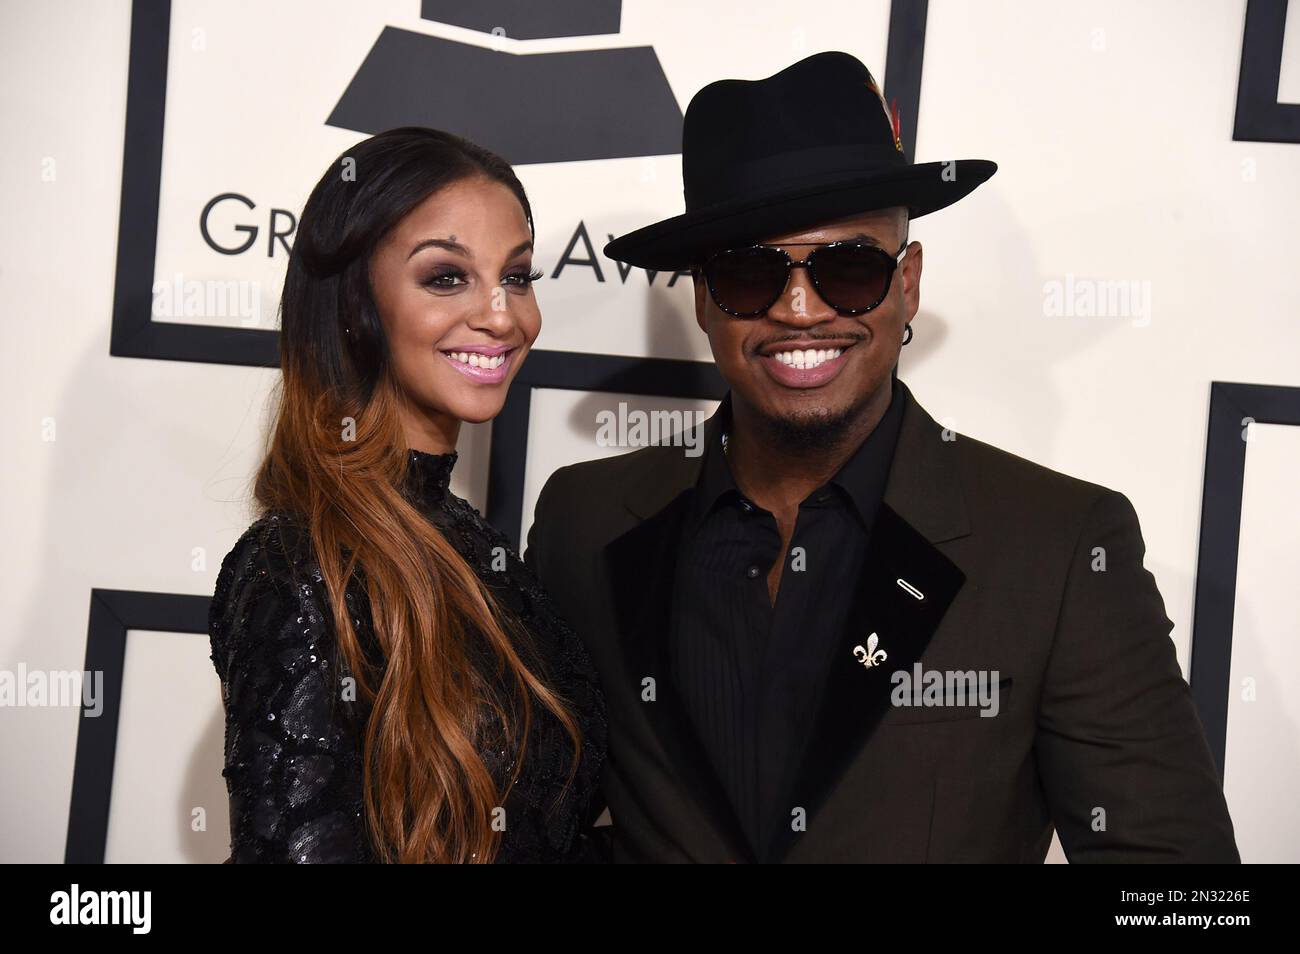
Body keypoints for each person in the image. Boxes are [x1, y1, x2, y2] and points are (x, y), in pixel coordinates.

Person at [525, 52, 1238, 862]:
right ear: (702, 300)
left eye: (850, 267)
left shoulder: (1061, 549)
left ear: (909, 283)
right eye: (749, 273)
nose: (800, 309)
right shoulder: (584, 521)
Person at [208, 127, 607, 863]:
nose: (502, 315)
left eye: (517, 275)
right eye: (447, 277)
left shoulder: (475, 547)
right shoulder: (301, 567)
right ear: (355, 303)